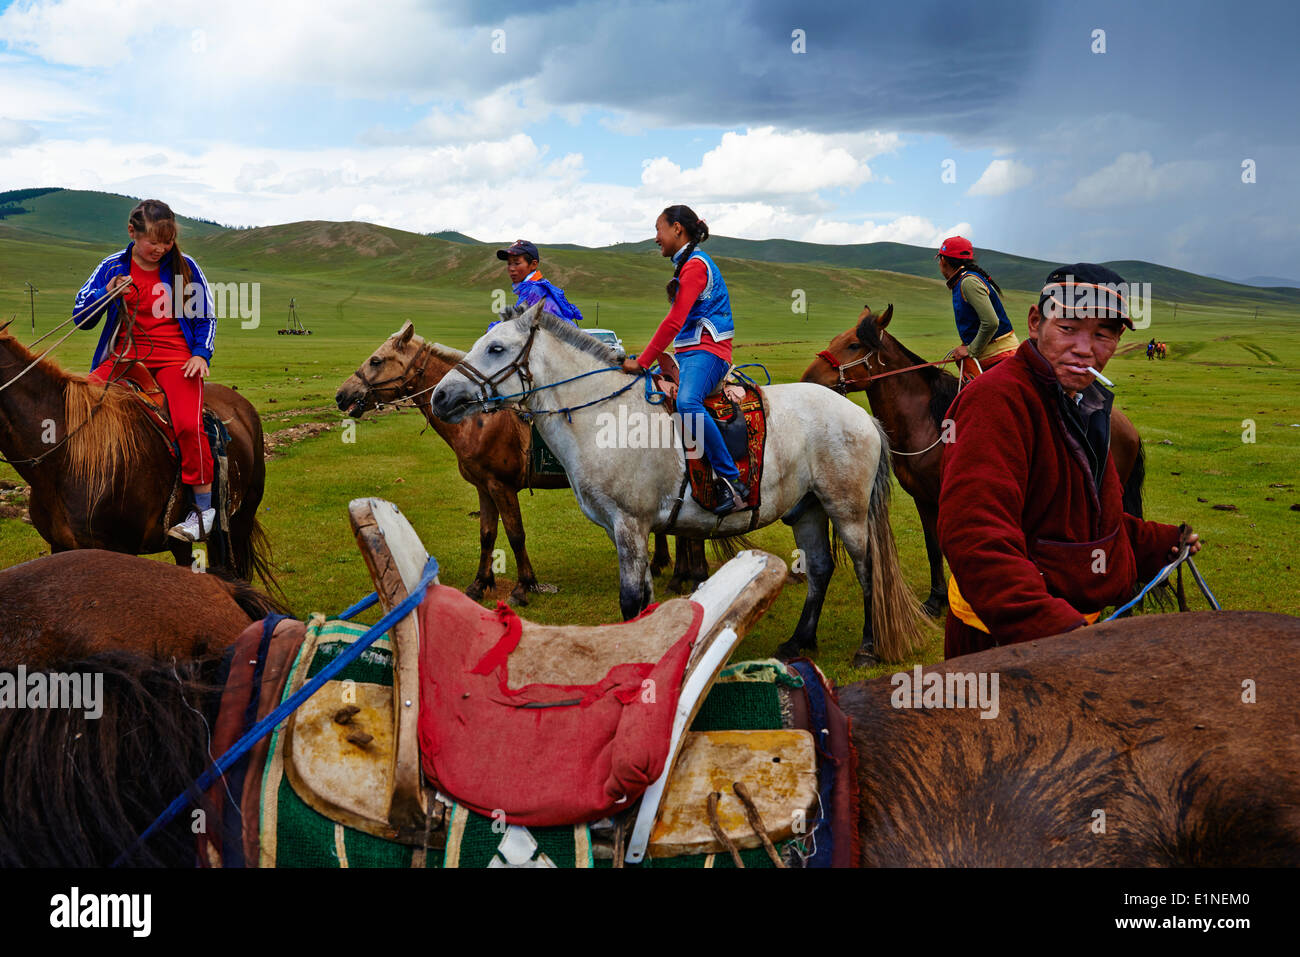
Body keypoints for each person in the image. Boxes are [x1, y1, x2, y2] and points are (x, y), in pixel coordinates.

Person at [936, 263, 1201, 658]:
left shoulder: (1083, 402)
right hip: (1001, 644)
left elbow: (1076, 523)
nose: (1085, 348)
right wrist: (1060, 635)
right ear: (1035, 322)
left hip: (1068, 638)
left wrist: (1155, 544)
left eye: (1103, 334)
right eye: (1068, 328)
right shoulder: (997, 400)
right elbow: (977, 538)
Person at [73, 199, 218, 542]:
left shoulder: (185, 267)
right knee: (78, 407)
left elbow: (206, 316)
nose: (160, 249)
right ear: (132, 232)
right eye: (153, 241)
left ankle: (202, 510)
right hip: (125, 357)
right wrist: (105, 293)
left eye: (166, 241)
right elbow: (81, 316)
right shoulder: (112, 266)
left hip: (175, 358)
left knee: (186, 424)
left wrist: (201, 353)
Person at [620, 205, 748, 515]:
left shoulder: (695, 266)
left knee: (689, 402)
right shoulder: (685, 265)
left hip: (710, 352)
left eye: (658, 229)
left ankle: (733, 482)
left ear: (677, 229)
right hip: (689, 354)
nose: (656, 238)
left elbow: (675, 321)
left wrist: (643, 359)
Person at [935, 236, 1020, 382]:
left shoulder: (968, 282)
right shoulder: (965, 280)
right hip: (991, 358)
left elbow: (991, 322)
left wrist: (970, 350)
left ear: (943, 261)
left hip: (999, 357)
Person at [493, 239, 583, 326]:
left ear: (533, 264)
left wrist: (492, 329)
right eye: (509, 264)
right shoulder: (535, 286)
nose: (511, 269)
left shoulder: (535, 291)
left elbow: (517, 324)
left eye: (516, 263)